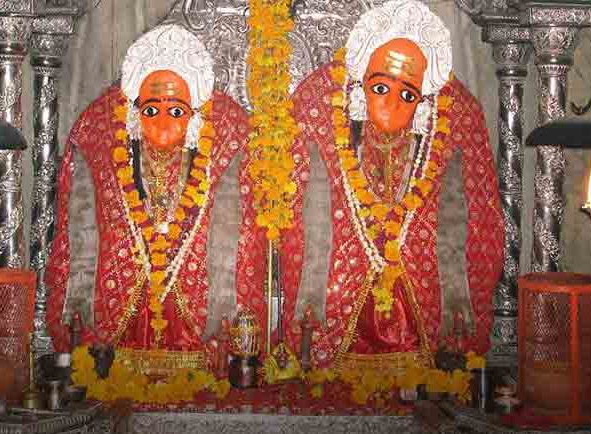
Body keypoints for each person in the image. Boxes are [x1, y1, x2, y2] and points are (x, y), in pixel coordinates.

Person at [288, 0, 504, 373]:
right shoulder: (324, 113)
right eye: (380, 87)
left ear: (424, 99)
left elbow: (477, 223)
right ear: (359, 85)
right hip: (343, 300)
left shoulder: (449, 125)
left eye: (407, 95)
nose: (391, 105)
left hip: (418, 315)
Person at [45, 24, 250, 374]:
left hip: (194, 336)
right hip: (118, 345)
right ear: (134, 112)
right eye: (151, 111)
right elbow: (80, 238)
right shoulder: (108, 148)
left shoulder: (219, 152)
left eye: (176, 111)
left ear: (195, 115)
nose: (163, 124)